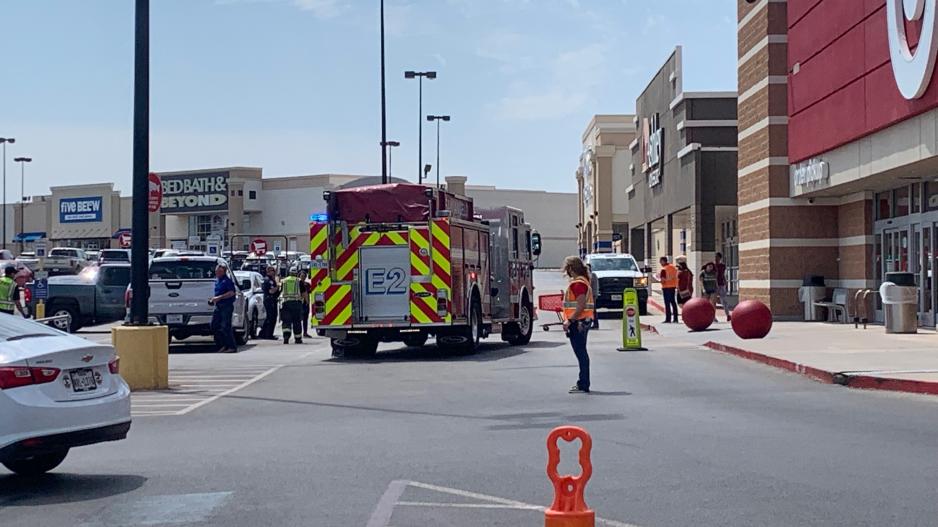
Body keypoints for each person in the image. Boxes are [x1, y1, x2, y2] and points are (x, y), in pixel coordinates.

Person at [562, 256, 595, 394]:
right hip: (583, 321)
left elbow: (580, 305)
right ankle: (583, 382)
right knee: (582, 352)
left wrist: (569, 320)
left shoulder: (577, 284)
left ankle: (583, 383)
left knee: (581, 353)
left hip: (578, 322)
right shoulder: (583, 281)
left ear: (570, 269)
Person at [209, 263, 238, 353]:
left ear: (224, 272)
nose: (218, 272)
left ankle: (231, 346)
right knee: (214, 326)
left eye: (220, 271)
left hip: (226, 306)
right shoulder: (218, 280)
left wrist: (219, 298)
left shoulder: (227, 281)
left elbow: (231, 293)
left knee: (225, 326)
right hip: (218, 306)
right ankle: (222, 345)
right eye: (217, 271)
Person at [279, 267, 304, 344]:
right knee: (297, 321)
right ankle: (298, 339)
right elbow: (303, 292)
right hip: (296, 303)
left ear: (289, 273)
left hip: (285, 303)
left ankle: (286, 337)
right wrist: (306, 301)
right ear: (296, 273)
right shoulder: (299, 281)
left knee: (286, 321)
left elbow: (280, 291)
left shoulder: (284, 281)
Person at [259, 265, 280, 340]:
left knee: (271, 318)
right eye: (272, 271)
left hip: (272, 300)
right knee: (271, 318)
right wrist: (277, 286)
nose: (273, 272)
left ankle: (264, 333)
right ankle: (268, 335)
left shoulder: (272, 279)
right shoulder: (268, 280)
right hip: (269, 300)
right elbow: (271, 291)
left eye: (274, 271)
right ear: (268, 272)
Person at [658, 256, 679, 323]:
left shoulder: (664, 269)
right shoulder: (673, 268)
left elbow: (663, 280)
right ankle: (675, 318)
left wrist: (660, 280)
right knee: (673, 302)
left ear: (664, 261)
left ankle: (668, 318)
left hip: (666, 287)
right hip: (673, 287)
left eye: (661, 261)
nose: (660, 263)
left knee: (667, 303)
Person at [713, 252, 732, 321]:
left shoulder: (722, 266)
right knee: (714, 301)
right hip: (714, 285)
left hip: (721, 284)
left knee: (724, 300)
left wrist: (725, 282)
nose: (716, 258)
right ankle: (713, 316)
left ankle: (727, 315)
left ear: (720, 258)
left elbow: (722, 274)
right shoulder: (713, 265)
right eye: (715, 257)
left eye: (717, 257)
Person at [299, 269, 313, 338]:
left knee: (305, 319)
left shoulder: (307, 284)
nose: (303, 277)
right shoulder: (297, 283)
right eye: (302, 276)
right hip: (299, 303)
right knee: (298, 319)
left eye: (304, 276)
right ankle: (298, 333)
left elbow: (310, 291)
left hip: (305, 303)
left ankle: (305, 332)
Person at [587, 263, 599, 329]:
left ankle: (596, 324)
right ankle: (591, 323)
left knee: (593, 310)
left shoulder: (593, 275)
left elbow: (595, 286)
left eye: (588, 268)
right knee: (589, 310)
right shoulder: (585, 276)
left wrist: (595, 295)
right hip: (587, 296)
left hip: (593, 295)